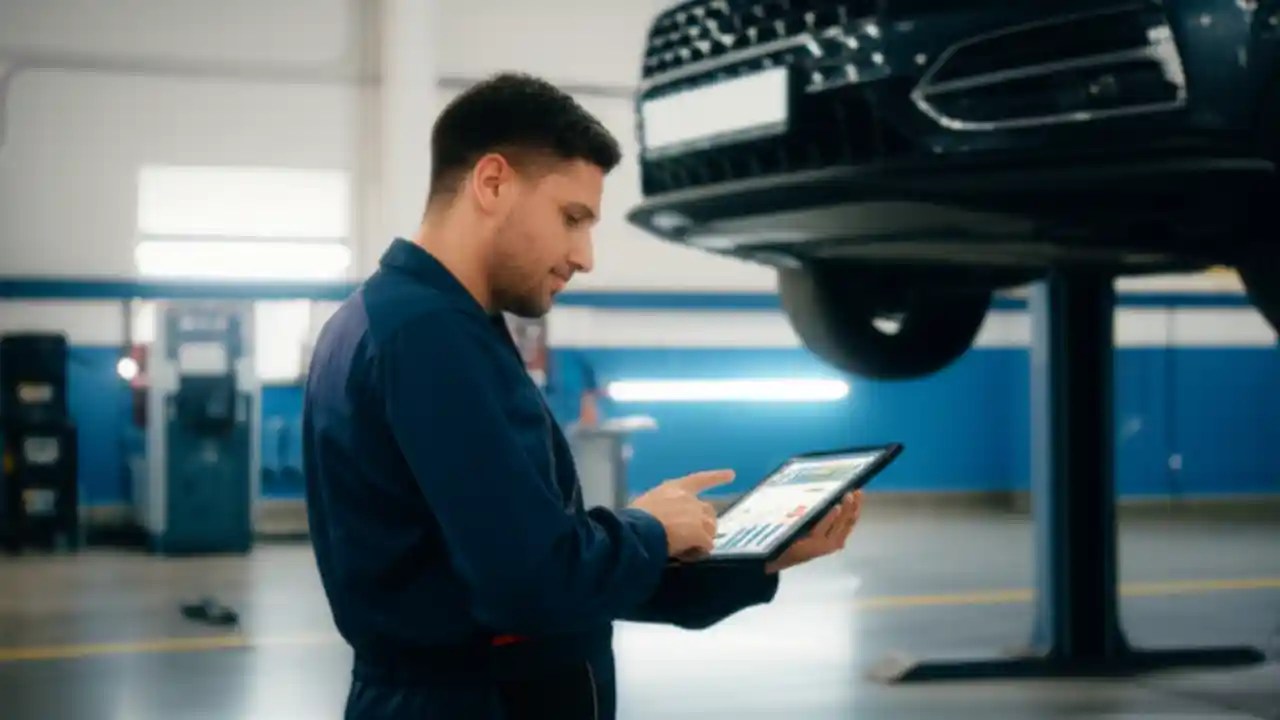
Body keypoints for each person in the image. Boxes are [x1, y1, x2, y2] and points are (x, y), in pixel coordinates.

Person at [302, 72, 865, 720]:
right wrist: (649, 528)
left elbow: (524, 569)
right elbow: (534, 586)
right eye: (572, 218)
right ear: (492, 183)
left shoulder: (393, 319)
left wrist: (756, 559)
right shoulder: (431, 336)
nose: (585, 255)